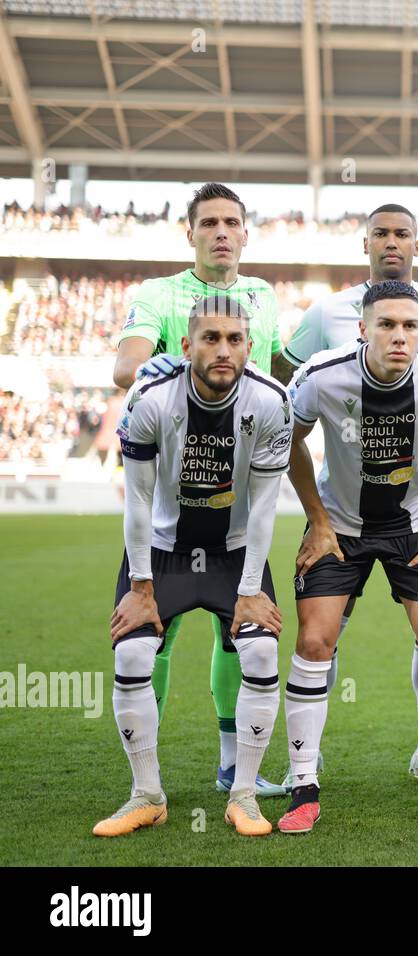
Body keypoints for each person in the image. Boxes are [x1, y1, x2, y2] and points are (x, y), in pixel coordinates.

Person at [282, 203, 418, 786]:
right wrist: (318, 521)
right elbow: (289, 443)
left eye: (409, 327)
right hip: (341, 526)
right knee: (316, 639)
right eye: (387, 326)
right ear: (363, 329)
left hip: (415, 525)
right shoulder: (323, 375)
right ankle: (303, 779)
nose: (399, 337)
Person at [111, 182, 288, 798]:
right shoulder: (159, 294)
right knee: (152, 633)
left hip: (237, 492)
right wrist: (159, 368)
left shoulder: (263, 296)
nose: (220, 231)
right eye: (207, 221)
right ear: (190, 233)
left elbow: (274, 374)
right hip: (170, 489)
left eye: (230, 221)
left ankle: (231, 766)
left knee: (236, 634)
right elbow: (123, 367)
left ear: (245, 232)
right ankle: (145, 778)